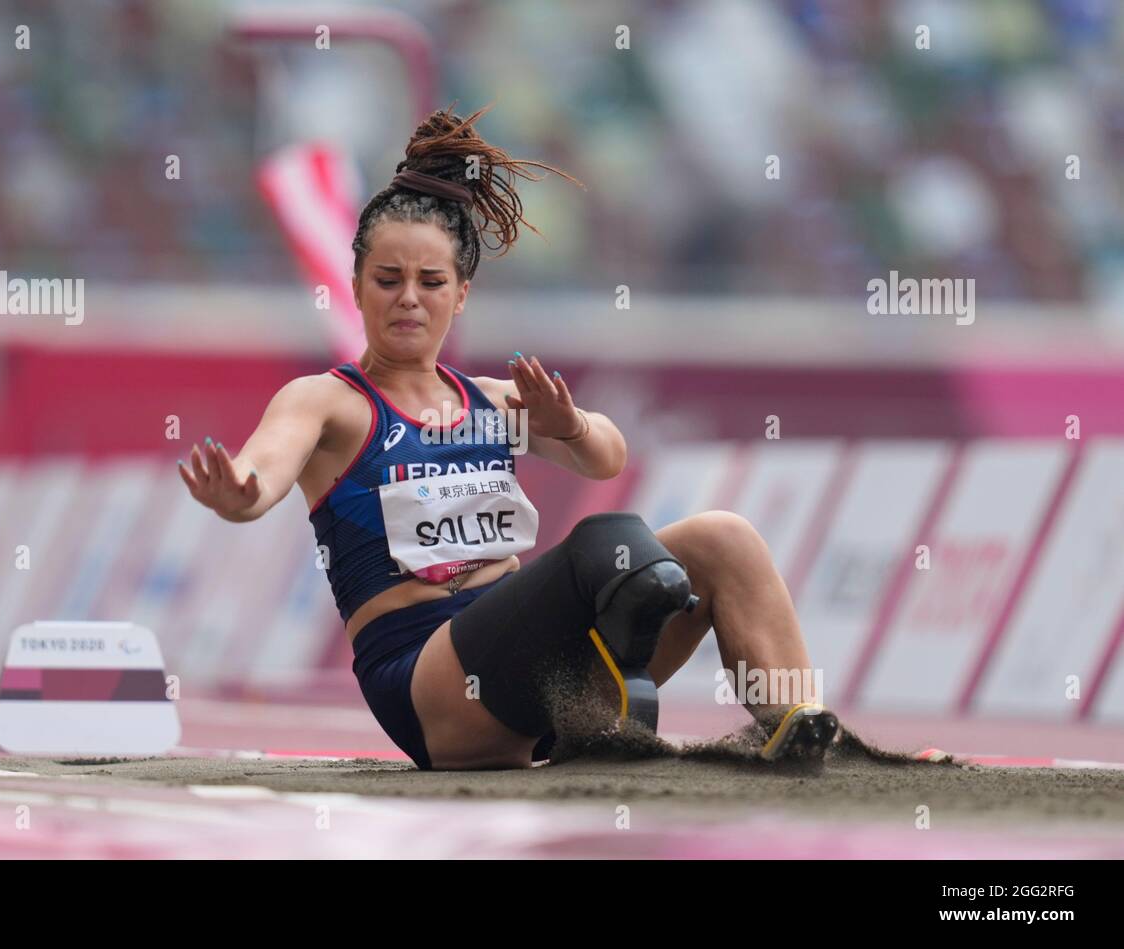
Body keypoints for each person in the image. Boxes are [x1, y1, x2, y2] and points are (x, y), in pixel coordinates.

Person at [178, 105, 839, 770]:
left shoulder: (493, 401)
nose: (409, 297)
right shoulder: (329, 402)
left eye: (430, 282)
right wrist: (237, 492)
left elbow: (608, 456)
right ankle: (615, 716)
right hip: (430, 687)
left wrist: (571, 426)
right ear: (356, 287)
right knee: (601, 548)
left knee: (723, 537)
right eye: (388, 279)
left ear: (460, 295)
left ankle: (799, 729)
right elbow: (259, 477)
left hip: (535, 685)